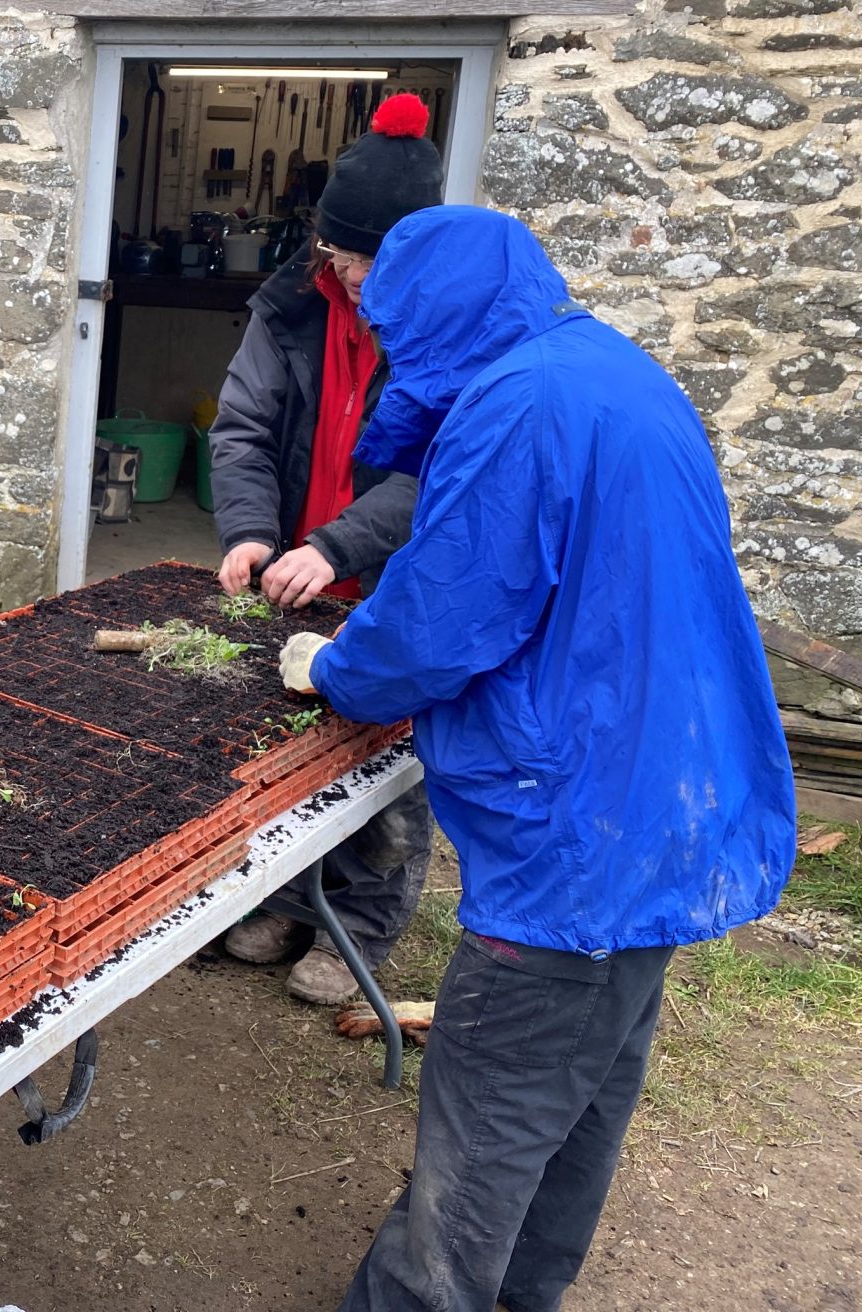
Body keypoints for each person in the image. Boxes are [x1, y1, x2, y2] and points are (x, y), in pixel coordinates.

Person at [280, 206, 795, 1312]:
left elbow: (441, 620)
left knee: (491, 1121)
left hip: (583, 832)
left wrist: (330, 668)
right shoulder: (610, 367)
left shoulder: (516, 407)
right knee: (582, 1100)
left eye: (386, 320)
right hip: (674, 804)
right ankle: (524, 1294)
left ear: (425, 317)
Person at [207, 93, 442, 1005]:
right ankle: (288, 900)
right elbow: (242, 430)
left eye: (365, 259)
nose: (346, 274)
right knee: (291, 737)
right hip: (302, 568)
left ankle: (363, 926)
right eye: (337, 254)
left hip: (389, 570)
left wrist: (338, 542)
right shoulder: (288, 308)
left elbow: (437, 478)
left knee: (386, 761)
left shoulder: (440, 333)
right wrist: (252, 531)